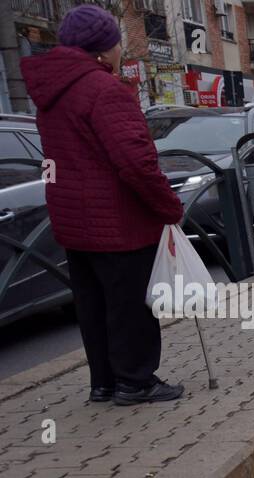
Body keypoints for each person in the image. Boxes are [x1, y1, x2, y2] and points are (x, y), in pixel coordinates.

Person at [22, 5, 185, 405]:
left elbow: (52, 163)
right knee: (129, 303)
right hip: (119, 220)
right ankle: (136, 381)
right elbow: (135, 161)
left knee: (93, 304)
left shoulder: (50, 96)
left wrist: (59, 199)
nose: (119, 50)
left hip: (74, 221)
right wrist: (168, 205)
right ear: (102, 49)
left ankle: (105, 382)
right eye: (116, 42)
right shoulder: (105, 90)